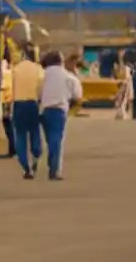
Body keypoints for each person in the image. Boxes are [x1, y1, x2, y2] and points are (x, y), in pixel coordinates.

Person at [38, 49, 82, 181]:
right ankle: (54, 170)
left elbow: (38, 93)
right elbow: (78, 94)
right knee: (57, 141)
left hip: (45, 111)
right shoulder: (68, 76)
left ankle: (52, 164)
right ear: (61, 62)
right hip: (59, 111)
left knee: (51, 140)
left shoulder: (43, 75)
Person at [10, 43, 44, 178]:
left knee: (20, 136)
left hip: (19, 104)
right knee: (35, 132)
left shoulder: (16, 69)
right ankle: (36, 156)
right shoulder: (39, 69)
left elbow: (11, 89)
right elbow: (41, 89)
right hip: (33, 104)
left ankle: (26, 167)